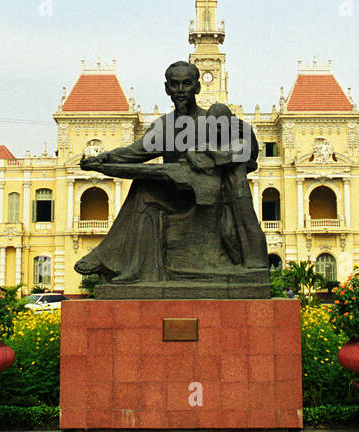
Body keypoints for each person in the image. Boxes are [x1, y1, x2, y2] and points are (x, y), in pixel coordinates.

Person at [75, 60, 270, 295]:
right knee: (144, 189)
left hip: (209, 196)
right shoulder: (164, 126)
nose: (180, 90)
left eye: (186, 84)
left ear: (197, 87)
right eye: (174, 84)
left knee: (146, 189)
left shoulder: (214, 121)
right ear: (167, 88)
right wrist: (102, 160)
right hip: (175, 194)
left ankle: (111, 259)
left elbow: (248, 148)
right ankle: (133, 269)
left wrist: (212, 158)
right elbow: (133, 153)